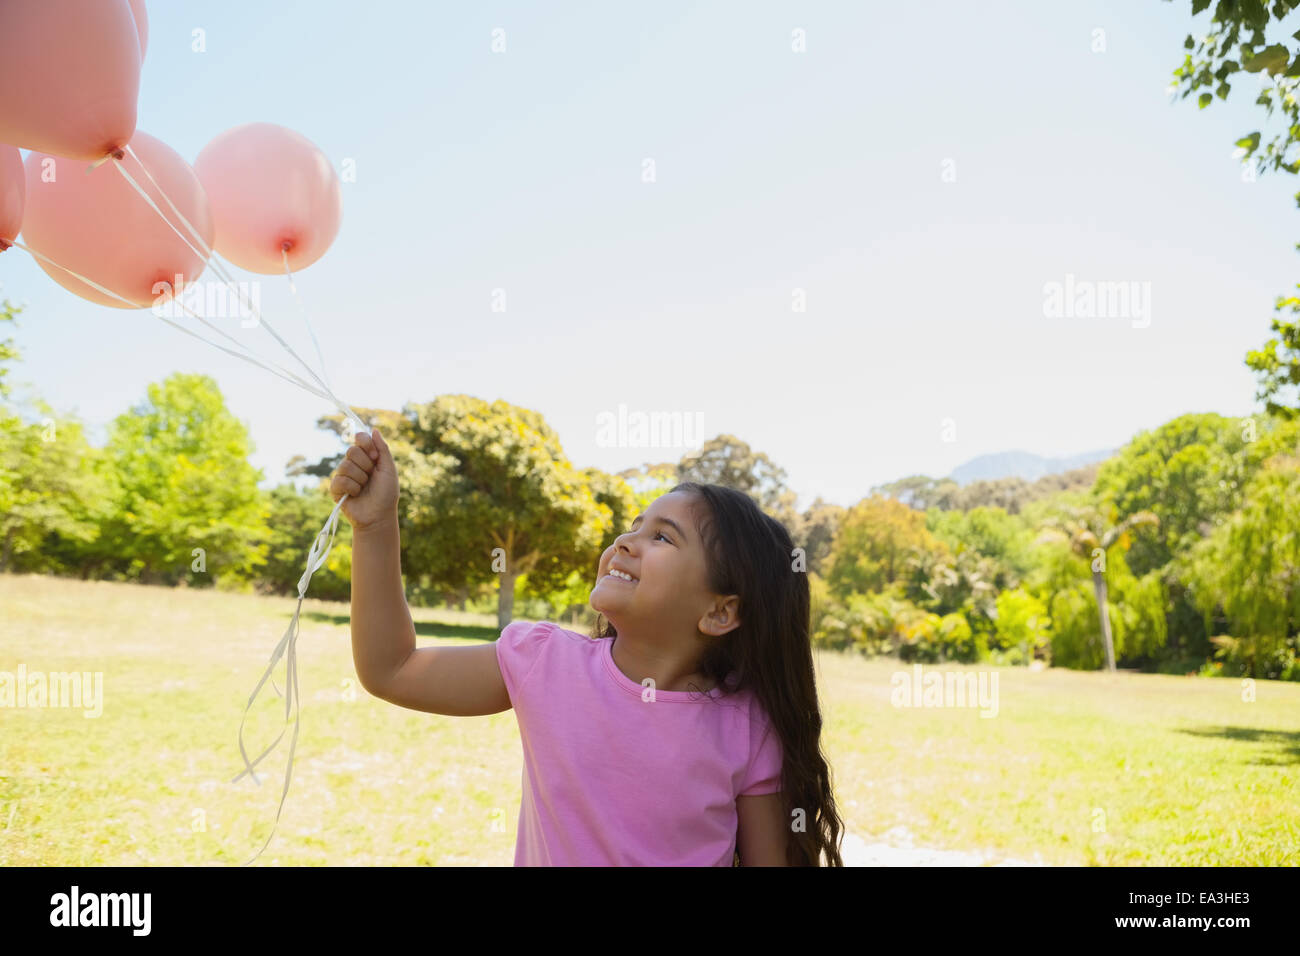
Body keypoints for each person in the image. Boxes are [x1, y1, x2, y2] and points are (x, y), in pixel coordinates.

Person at [335, 426, 844, 866]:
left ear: (719, 612)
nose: (625, 541)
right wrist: (376, 525)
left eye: (663, 538)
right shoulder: (543, 663)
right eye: (632, 527)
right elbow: (392, 668)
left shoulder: (748, 727)